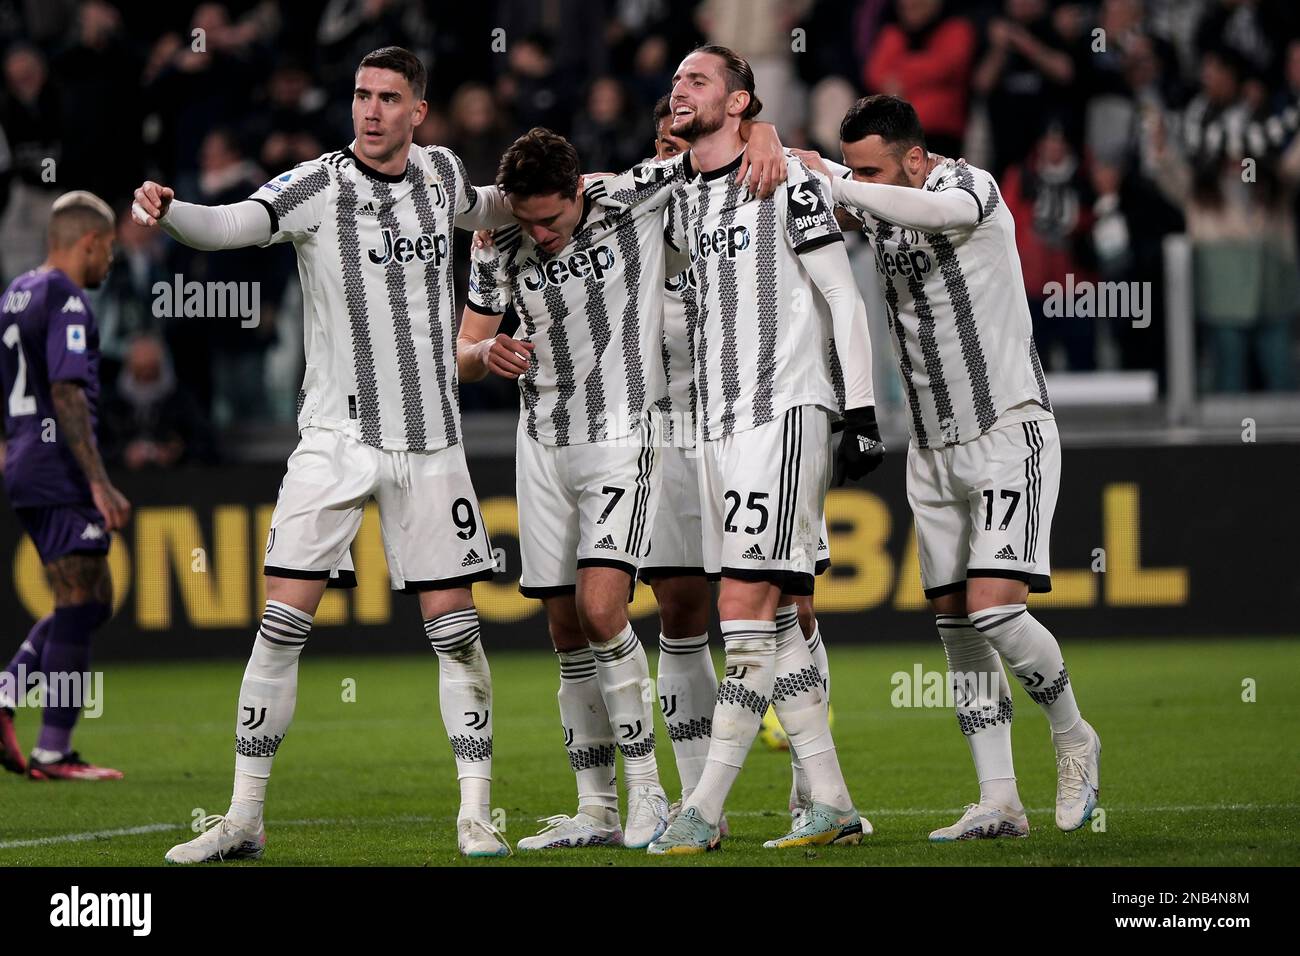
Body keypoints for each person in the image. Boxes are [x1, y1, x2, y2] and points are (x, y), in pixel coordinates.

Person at [132, 46, 518, 862]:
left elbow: (493, 208)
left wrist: (569, 197)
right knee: (278, 627)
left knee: (454, 633)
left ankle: (478, 814)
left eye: (388, 98)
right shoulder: (318, 185)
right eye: (360, 95)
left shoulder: (443, 174)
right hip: (333, 439)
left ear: (419, 110)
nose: (370, 110)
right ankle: (243, 818)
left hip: (431, 441)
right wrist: (173, 211)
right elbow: (233, 224)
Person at [797, 93, 1101, 840]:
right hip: (931, 449)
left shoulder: (970, 188)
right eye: (856, 171)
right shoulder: (874, 198)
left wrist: (836, 179)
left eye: (877, 172)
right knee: (956, 627)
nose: (865, 186)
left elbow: (937, 218)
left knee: (997, 609)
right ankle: (999, 799)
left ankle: (1073, 736)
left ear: (915, 158)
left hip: (1007, 429)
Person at [649, 45, 883, 855]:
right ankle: (833, 803)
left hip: (784, 412)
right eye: (676, 80)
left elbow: (844, 298)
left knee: (742, 611)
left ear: (742, 102)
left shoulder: (788, 180)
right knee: (778, 614)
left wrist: (861, 412)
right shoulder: (678, 198)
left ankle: (703, 810)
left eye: (699, 80)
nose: (680, 89)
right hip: (718, 430)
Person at [0, 190, 128, 781]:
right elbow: (68, 391)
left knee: (89, 599)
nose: (110, 263)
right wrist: (99, 482)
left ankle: (8, 693)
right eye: (109, 251)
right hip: (58, 466)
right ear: (89, 242)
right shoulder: (66, 297)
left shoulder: (14, 292)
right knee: (80, 600)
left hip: (25, 459)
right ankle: (54, 750)